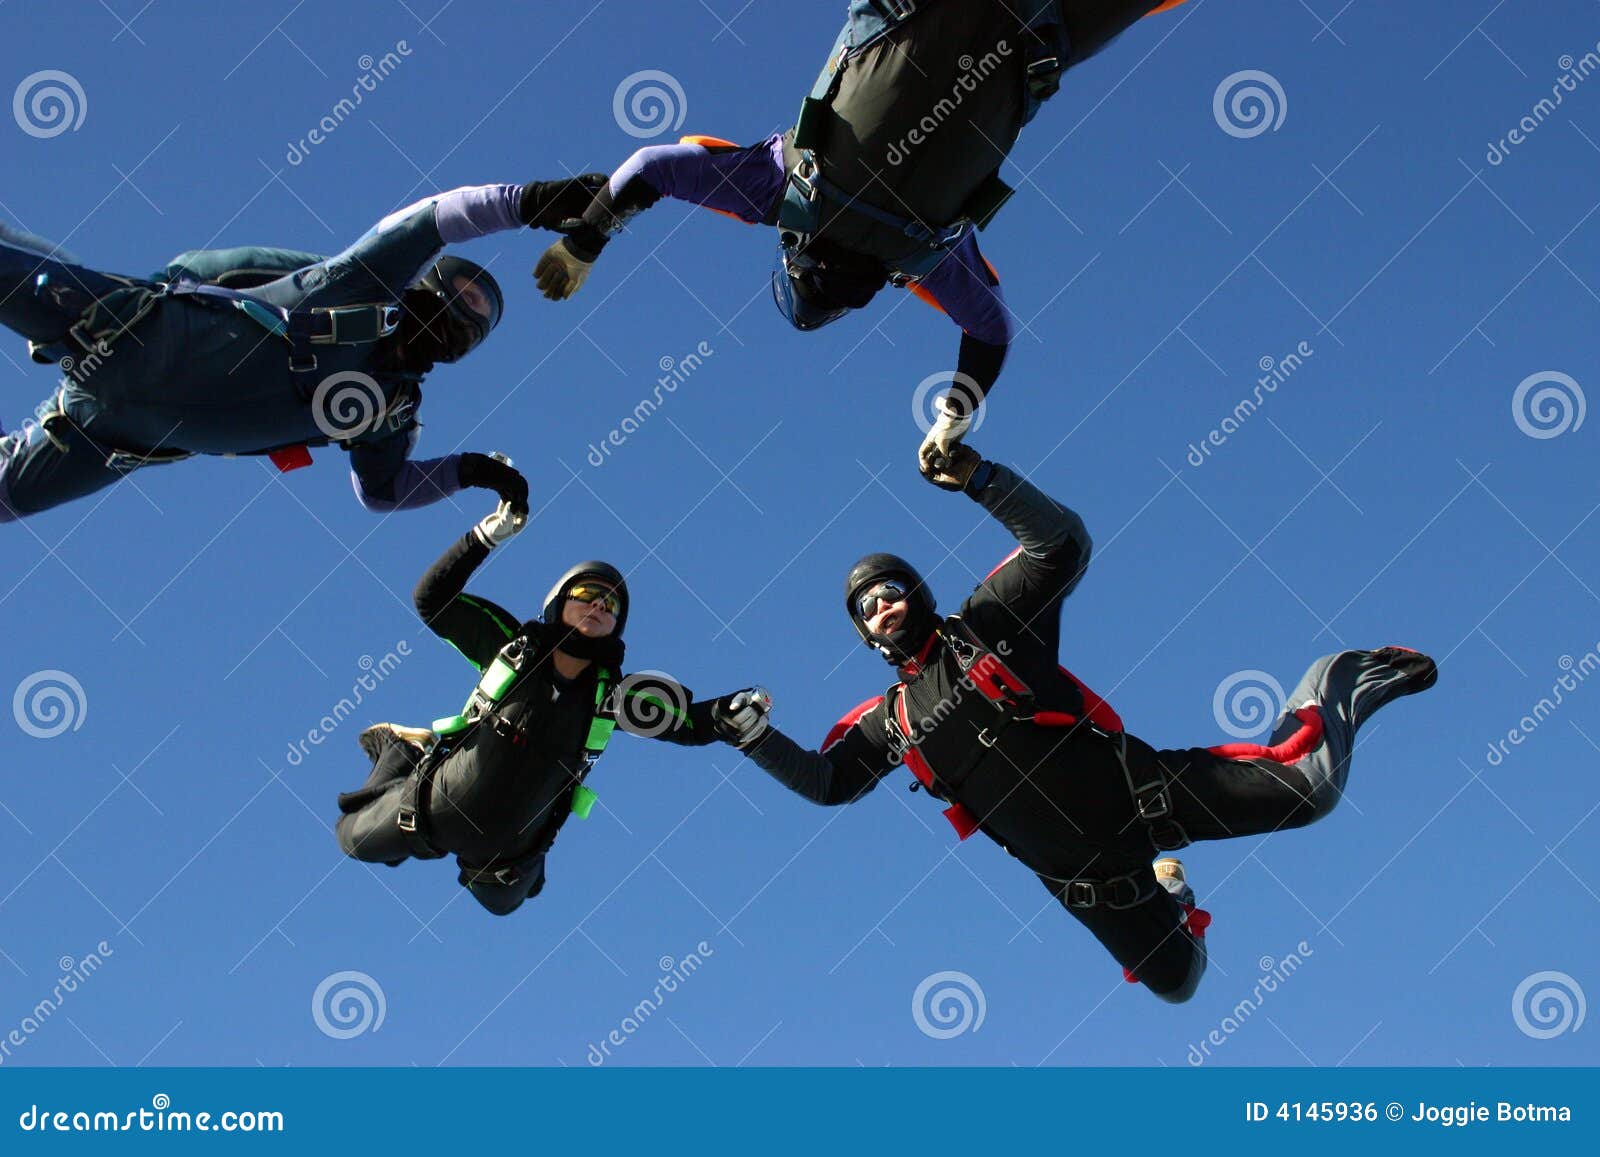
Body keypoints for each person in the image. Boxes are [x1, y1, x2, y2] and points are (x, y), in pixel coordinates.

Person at [708, 444, 1438, 1002]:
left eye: (892, 590)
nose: (883, 607)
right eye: (867, 608)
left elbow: (1061, 544)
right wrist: (749, 735)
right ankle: (1172, 896)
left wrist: (978, 476)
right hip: (1093, 881)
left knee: (1310, 790)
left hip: (1145, 794)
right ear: (865, 637)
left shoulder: (989, 622)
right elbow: (827, 782)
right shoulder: (887, 721)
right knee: (1177, 984)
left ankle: (1344, 673)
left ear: (918, 593)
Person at [534, 1, 1189, 477]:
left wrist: (951, 418)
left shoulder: (919, 250)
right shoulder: (792, 194)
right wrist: (586, 242)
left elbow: (991, 333)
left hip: (1051, 26)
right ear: (792, 258)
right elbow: (651, 169)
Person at [0, 174, 606, 523]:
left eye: (484, 316)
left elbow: (383, 492)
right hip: (113, 329)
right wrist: (534, 201)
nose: (471, 312)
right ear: (431, 281)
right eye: (468, 292)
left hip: (101, 438)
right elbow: (433, 218)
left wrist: (469, 472)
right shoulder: (362, 288)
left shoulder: (390, 410)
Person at [334, 496, 746, 915]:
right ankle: (400, 752)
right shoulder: (511, 648)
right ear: (557, 604)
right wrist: (483, 537)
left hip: (509, 853)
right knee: (351, 839)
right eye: (586, 594)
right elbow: (432, 599)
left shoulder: (614, 696)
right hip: (437, 806)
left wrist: (733, 712)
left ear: (616, 627)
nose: (599, 605)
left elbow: (692, 725)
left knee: (507, 904)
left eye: (611, 605)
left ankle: (523, 862)